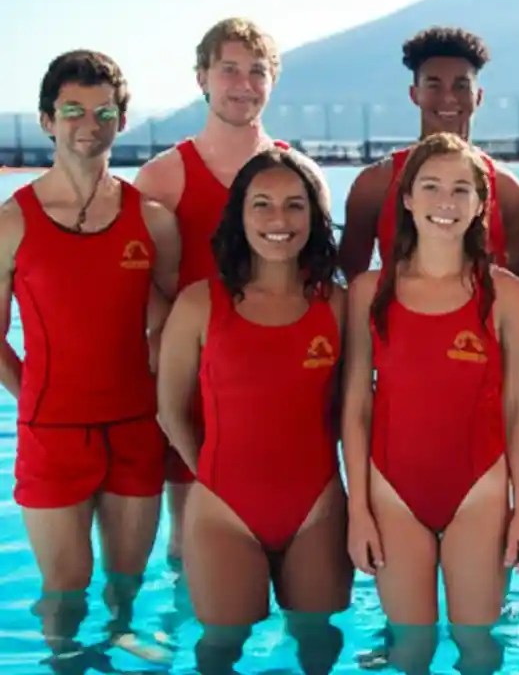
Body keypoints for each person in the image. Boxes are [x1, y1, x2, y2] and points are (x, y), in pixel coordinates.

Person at [0, 50, 180, 661]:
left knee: (125, 589)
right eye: (72, 109)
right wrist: (34, 401)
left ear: (121, 120)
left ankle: (121, 643)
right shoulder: (13, 222)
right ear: (48, 120)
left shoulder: (152, 221)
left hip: (135, 425)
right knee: (65, 591)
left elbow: (171, 325)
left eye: (104, 110)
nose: (89, 123)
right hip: (51, 430)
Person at [342, 132, 519, 674]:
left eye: (461, 189)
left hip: (480, 487)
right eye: (430, 187)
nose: (445, 202)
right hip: (391, 490)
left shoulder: (504, 294)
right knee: (410, 649)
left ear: (482, 204)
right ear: (406, 198)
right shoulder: (368, 290)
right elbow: (356, 405)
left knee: (477, 646)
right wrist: (357, 510)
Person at [134, 17, 331, 561]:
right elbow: (137, 286)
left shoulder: (303, 176)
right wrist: (173, 344)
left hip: (284, 392)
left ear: (273, 82)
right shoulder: (163, 177)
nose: (243, 84)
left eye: (257, 72)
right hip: (198, 388)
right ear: (202, 78)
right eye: (229, 70)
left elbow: (319, 276)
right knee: (187, 544)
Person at [156, 148, 350, 674]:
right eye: (261, 204)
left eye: (294, 205)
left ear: (314, 217)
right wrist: (214, 478)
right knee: (220, 649)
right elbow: (169, 409)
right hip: (224, 509)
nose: (279, 220)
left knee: (317, 642)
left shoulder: (335, 305)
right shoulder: (200, 303)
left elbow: (356, 410)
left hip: (318, 508)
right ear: (240, 216)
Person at [338, 26, 519, 279]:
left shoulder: (509, 192)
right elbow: (351, 279)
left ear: (479, 96)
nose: (449, 98)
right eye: (434, 86)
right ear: (414, 94)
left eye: (461, 86)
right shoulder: (374, 185)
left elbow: (517, 284)